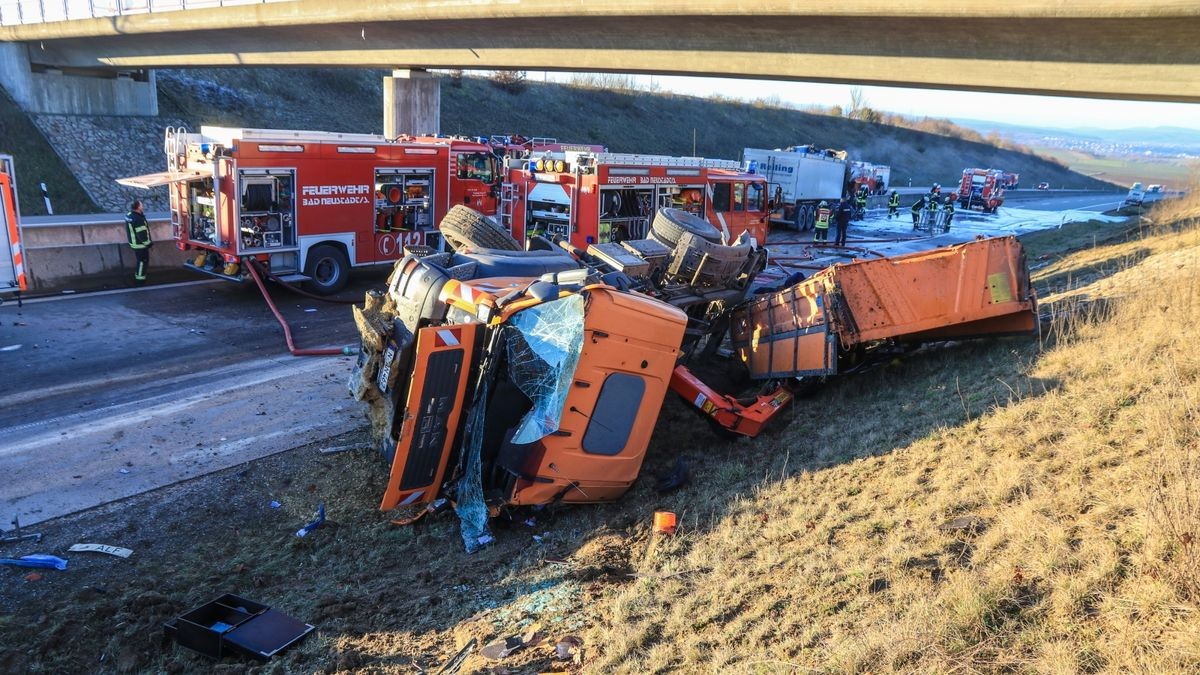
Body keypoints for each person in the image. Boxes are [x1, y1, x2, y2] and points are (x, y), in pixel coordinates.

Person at [125, 199, 151, 286]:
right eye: (141, 205)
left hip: (134, 243)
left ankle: (139, 276)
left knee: (140, 261)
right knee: (142, 261)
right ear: (138, 207)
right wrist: (148, 243)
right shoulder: (138, 219)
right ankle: (140, 280)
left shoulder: (129, 215)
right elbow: (141, 234)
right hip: (140, 245)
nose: (142, 206)